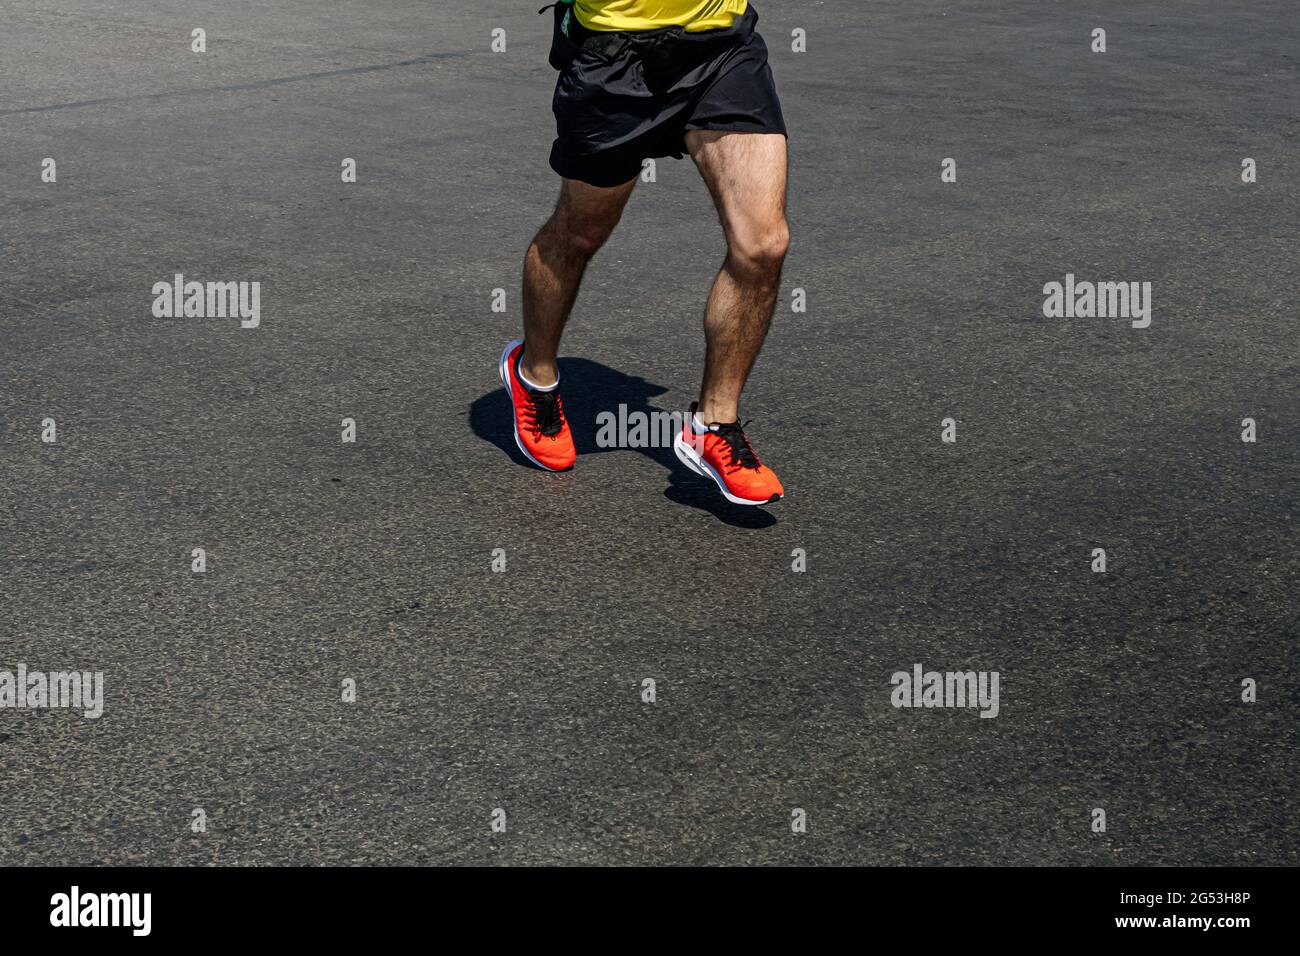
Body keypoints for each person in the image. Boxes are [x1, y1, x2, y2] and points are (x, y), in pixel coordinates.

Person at [500, 0, 789, 505]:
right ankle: (535, 376)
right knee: (581, 232)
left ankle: (714, 425)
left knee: (763, 245)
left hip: (722, 50)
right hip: (614, 62)